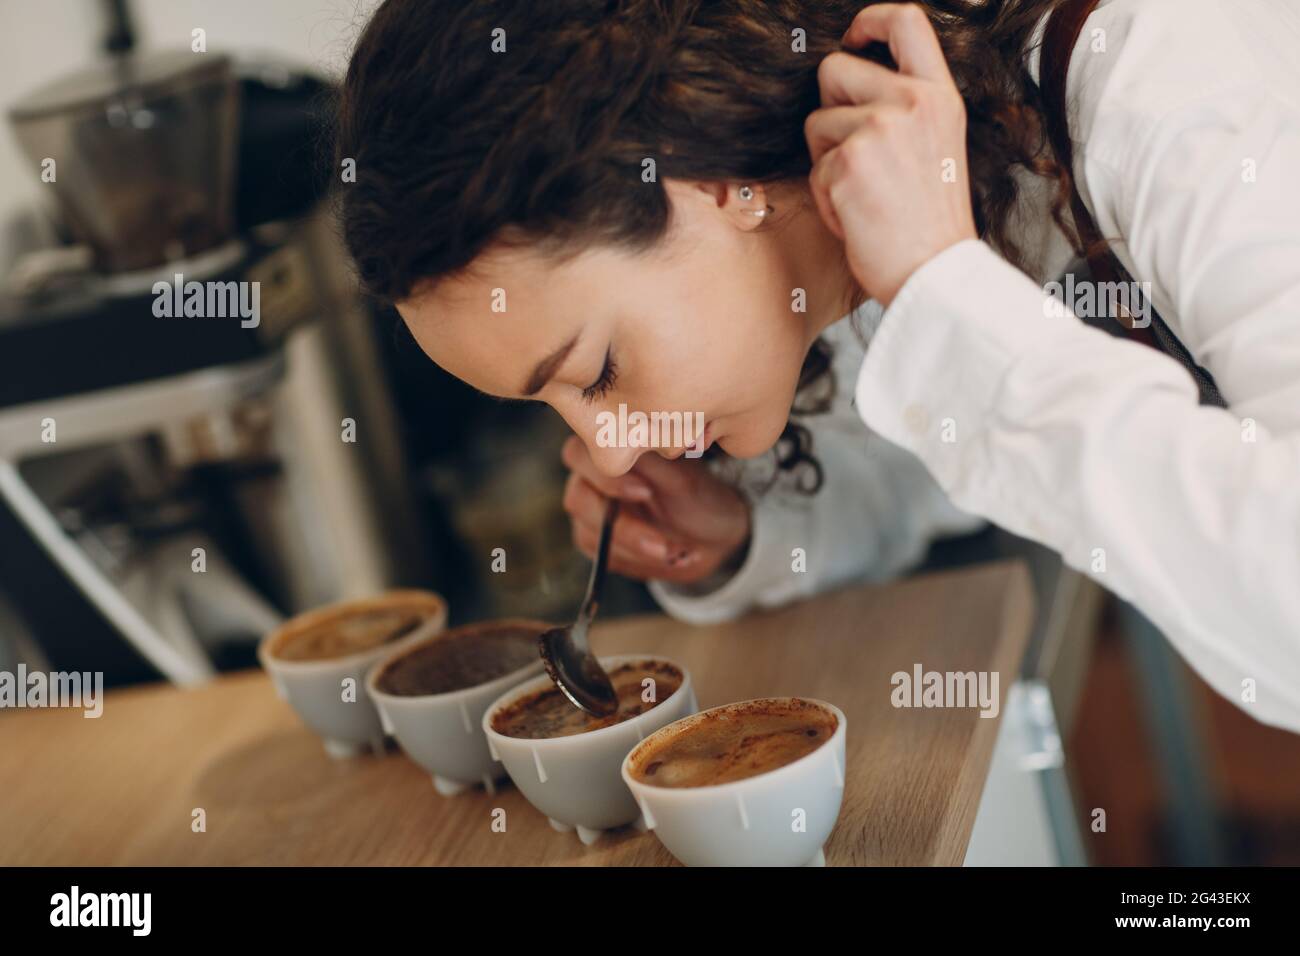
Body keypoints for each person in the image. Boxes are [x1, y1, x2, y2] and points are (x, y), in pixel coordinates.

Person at [334, 0, 1300, 732]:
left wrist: (941, 290)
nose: (613, 454)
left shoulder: (1156, 76)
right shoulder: (839, 235)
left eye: (596, 371)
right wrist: (745, 535)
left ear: (712, 182)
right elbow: (930, 472)